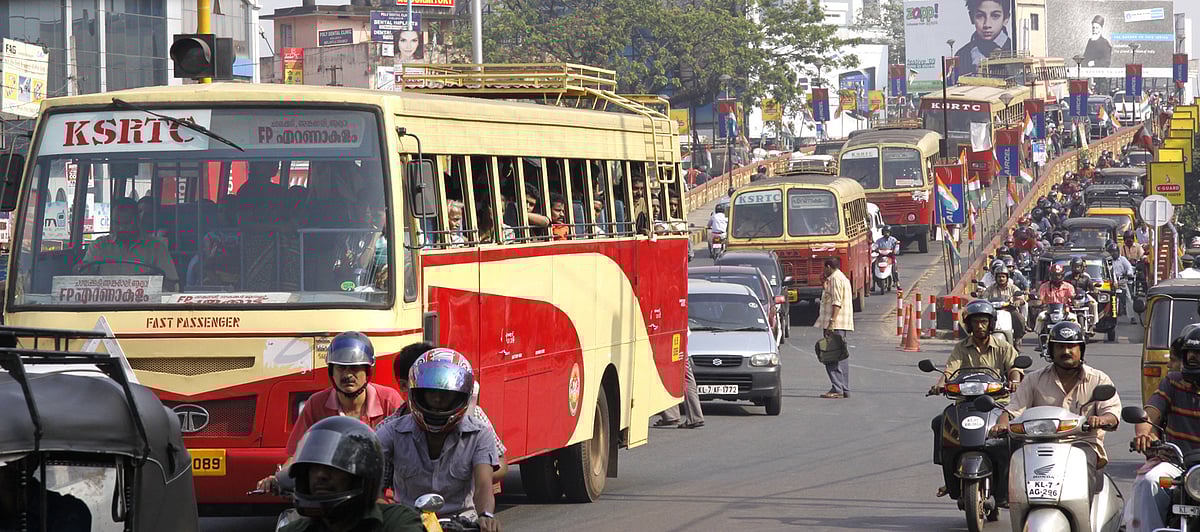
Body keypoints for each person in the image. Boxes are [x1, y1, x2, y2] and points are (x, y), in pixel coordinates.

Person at [257, 332, 404, 494]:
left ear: (367, 372)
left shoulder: (389, 400)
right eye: (341, 368)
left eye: (355, 368)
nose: (348, 375)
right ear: (331, 372)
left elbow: (406, 451)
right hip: (331, 494)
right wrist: (277, 478)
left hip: (379, 495)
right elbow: (298, 455)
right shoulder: (316, 404)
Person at [990, 321, 1122, 497]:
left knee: (1084, 478)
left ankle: (1086, 520)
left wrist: (1102, 420)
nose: (1066, 352)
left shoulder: (1098, 379)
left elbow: (1111, 413)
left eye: (1071, 347)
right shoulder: (1034, 379)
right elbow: (1014, 409)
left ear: (1081, 350)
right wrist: (1002, 423)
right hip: (1039, 445)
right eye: (1060, 347)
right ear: (1051, 350)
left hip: (1082, 444)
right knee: (1016, 477)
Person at [377, 348, 502, 532]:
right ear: (417, 392)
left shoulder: (479, 433)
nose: (437, 399)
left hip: (463, 523)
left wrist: (486, 516)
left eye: (445, 395)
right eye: (431, 392)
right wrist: (388, 516)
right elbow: (374, 487)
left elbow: (484, 484)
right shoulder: (390, 431)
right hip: (407, 524)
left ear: (461, 395)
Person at [929, 299, 1023, 503]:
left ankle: (1011, 480)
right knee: (940, 422)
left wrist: (1014, 380)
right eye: (975, 322)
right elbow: (950, 369)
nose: (979, 326)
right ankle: (949, 473)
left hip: (997, 402)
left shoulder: (1002, 346)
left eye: (983, 322)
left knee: (1014, 434)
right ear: (968, 325)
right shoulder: (961, 347)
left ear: (991, 323)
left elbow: (1015, 367)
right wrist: (940, 384)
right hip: (965, 403)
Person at [388, 342, 509, 495]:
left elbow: (501, 463)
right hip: (411, 515)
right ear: (406, 385)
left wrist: (476, 475)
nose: (437, 397)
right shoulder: (390, 429)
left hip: (463, 515)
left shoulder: (474, 417)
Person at [280, 416, 425, 532]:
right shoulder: (294, 529)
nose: (320, 475)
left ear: (360, 476)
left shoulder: (396, 522)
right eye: (313, 468)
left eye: (334, 467)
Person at [1126, 324, 1200, 532]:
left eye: (1198, 354)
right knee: (1149, 482)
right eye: (1190, 353)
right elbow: (1150, 412)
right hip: (1178, 465)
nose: (1193, 358)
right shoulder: (1173, 382)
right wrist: (1143, 433)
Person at [77, 199, 180, 291]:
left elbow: (171, 284)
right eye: (117, 223)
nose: (121, 228)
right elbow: (83, 275)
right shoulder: (99, 246)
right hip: (105, 305)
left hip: (145, 306)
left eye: (126, 224)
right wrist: (81, 270)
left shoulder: (156, 248)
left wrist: (147, 285)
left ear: (137, 221)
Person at [0, 457, 92, 532]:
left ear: (35, 461)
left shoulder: (68, 513)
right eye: (5, 459)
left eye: (22, 458)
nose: (13, 464)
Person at [817, 257, 854, 399]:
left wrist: (832, 322)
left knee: (830, 355)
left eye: (824, 268)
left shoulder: (835, 279)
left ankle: (837, 388)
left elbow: (836, 302)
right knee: (841, 355)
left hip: (835, 324)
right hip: (841, 323)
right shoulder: (841, 278)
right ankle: (843, 388)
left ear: (828, 266)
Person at [655, 327, 705, 429]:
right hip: (677, 334)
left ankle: (693, 417)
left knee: (675, 375)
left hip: (669, 336)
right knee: (669, 374)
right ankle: (671, 415)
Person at [954, 0, 1013, 77]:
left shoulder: (1015, 48)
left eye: (995, 16)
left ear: (1006, 18)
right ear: (971, 17)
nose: (987, 24)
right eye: (980, 16)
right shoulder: (961, 56)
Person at [983, 264, 1027, 338]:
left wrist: (1018, 301)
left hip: (1009, 310)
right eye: (999, 277)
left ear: (1007, 278)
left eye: (1003, 277)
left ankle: (1017, 338)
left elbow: (1021, 299)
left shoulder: (1013, 288)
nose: (1001, 279)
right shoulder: (990, 289)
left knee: (1020, 319)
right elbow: (984, 298)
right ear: (996, 278)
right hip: (993, 312)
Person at [1108, 242, 1137, 324]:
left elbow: (1129, 267)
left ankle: (1132, 317)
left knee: (1128, 297)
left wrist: (1128, 273)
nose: (1114, 253)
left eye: (1115, 251)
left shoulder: (1122, 259)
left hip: (1122, 281)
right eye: (1112, 252)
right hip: (1110, 282)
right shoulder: (1108, 260)